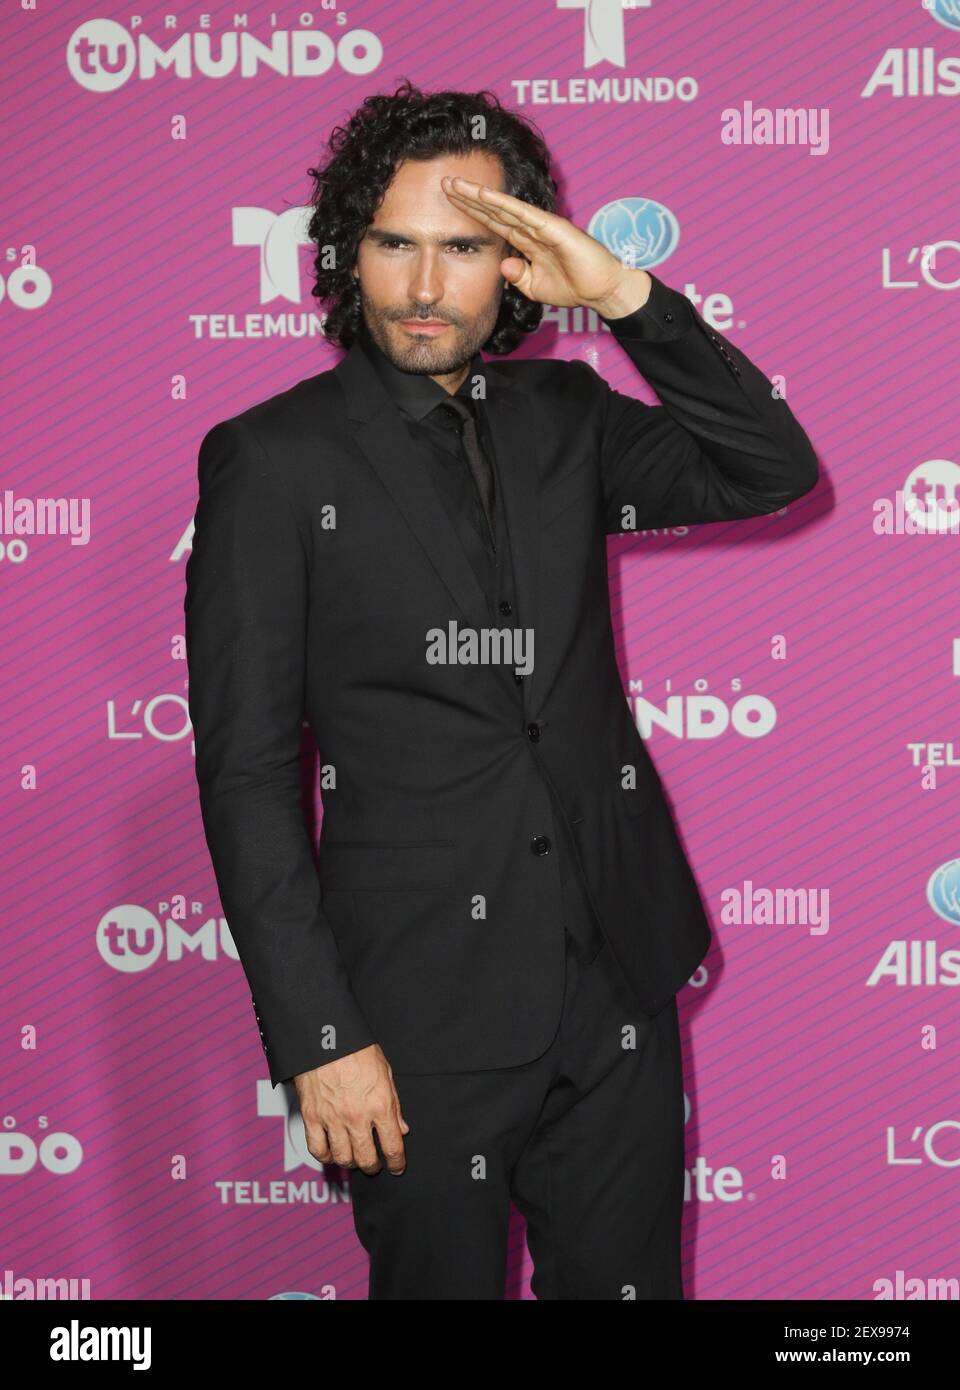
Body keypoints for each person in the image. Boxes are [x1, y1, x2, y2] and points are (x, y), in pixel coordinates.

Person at [184, 80, 818, 1300]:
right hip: (414, 1010)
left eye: (465, 247)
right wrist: (324, 1039)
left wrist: (625, 298)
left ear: (518, 258)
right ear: (345, 254)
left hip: (612, 976)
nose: (425, 288)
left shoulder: (566, 415)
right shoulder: (274, 461)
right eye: (395, 245)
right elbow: (250, 773)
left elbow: (769, 466)